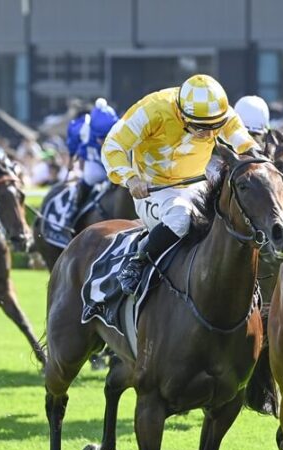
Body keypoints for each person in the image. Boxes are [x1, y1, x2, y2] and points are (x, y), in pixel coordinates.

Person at [103, 74, 258, 293]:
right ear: (182, 116)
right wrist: (131, 179)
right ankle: (138, 261)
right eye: (201, 128)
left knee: (234, 214)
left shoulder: (216, 112)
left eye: (215, 127)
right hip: (155, 190)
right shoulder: (152, 110)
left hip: (198, 184)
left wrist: (256, 155)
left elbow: (243, 140)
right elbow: (112, 145)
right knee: (181, 218)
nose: (209, 134)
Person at [63, 98, 119, 230]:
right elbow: (73, 141)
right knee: (90, 178)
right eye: (100, 137)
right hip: (96, 163)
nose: (103, 141)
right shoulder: (83, 127)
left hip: (115, 162)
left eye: (106, 136)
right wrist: (71, 158)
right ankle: (72, 213)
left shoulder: (122, 128)